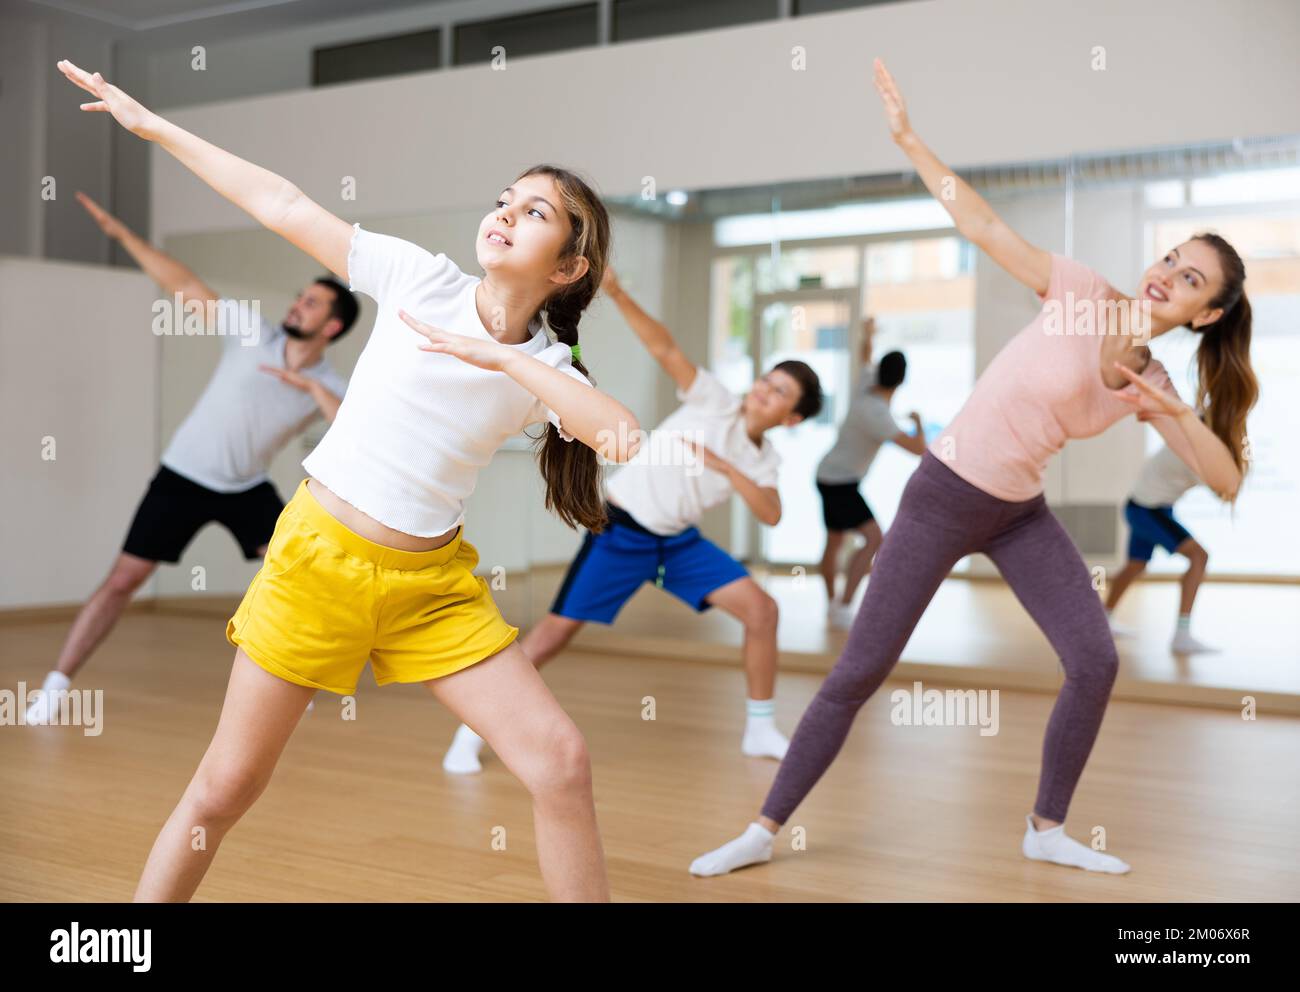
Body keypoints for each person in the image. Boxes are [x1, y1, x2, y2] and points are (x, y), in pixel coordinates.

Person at [57, 58, 642, 902]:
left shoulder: (546, 368)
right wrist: (155, 130)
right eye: (504, 199)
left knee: (561, 763)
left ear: (568, 269)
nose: (506, 213)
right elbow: (285, 204)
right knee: (223, 791)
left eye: (535, 211)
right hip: (316, 566)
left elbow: (618, 436)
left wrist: (496, 357)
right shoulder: (419, 279)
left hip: (430, 589)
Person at [689, 57, 1257, 879]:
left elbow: (1226, 480)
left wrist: (1174, 414)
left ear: (1204, 315)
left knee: (1095, 660)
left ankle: (1046, 827)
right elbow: (984, 228)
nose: (1167, 272)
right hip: (941, 500)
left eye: (1190, 279)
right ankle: (763, 827)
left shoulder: (1155, 384)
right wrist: (909, 139)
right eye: (1172, 255)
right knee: (861, 670)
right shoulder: (1080, 293)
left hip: (1020, 514)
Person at [444, 267, 823, 773]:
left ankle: (759, 728)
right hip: (619, 531)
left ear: (792, 419)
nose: (763, 392)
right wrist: (619, 291)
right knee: (552, 636)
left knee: (762, 611)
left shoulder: (764, 460)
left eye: (779, 395)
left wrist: (727, 467)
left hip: (677, 545)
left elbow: (771, 514)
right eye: (767, 380)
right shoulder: (715, 401)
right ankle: (470, 732)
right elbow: (666, 350)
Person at [25, 192, 352, 724]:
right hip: (183, 478)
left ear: (332, 327)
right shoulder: (250, 333)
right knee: (123, 581)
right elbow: (183, 286)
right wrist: (123, 235)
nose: (298, 305)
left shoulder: (331, 384)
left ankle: (295, 677)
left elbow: (353, 431)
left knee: (294, 576)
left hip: (245, 488)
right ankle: (56, 686)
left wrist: (310, 390)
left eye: (312, 303)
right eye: (301, 297)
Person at [815, 322, 926, 629]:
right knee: (874, 537)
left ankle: (833, 603)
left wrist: (869, 334)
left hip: (828, 475)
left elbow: (866, 357)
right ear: (901, 381)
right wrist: (918, 421)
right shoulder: (877, 414)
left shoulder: (864, 385)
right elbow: (918, 449)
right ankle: (844, 603)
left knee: (835, 539)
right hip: (840, 482)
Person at [1105, 440, 1217, 653]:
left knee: (1135, 565)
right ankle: (1182, 636)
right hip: (1149, 511)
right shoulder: (1193, 453)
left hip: (1140, 507)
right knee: (1199, 557)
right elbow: (1223, 488)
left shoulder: (1185, 436)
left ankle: (1103, 620)